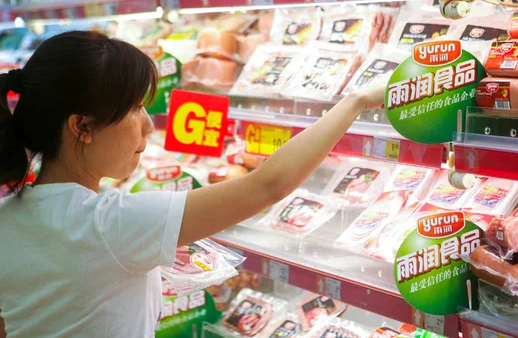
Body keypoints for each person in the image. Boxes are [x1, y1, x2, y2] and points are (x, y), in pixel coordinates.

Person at [0, 31, 385, 338]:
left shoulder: (8, 217)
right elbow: (269, 185)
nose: (149, 125)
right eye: (134, 109)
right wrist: (357, 100)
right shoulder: (110, 223)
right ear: (82, 126)